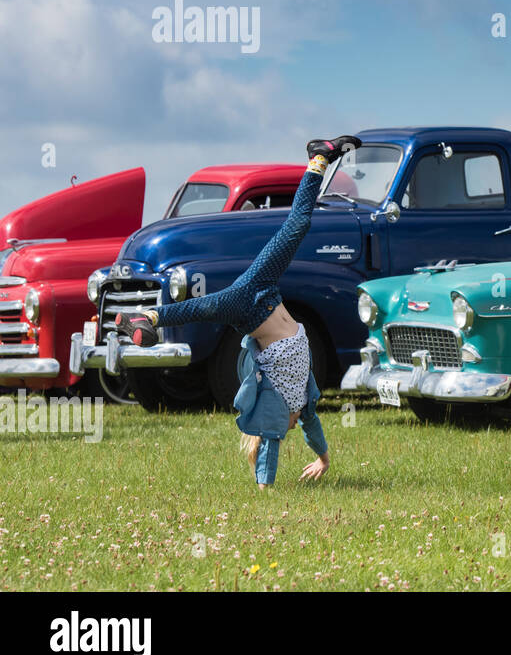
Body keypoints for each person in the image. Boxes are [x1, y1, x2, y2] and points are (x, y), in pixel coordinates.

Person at [114, 135, 361, 489]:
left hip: (249, 301)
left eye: (287, 426)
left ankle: (149, 318)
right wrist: (322, 459)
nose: (292, 427)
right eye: (292, 425)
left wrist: (292, 475)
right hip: (265, 297)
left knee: (209, 302)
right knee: (296, 229)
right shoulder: (303, 401)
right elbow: (310, 430)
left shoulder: (278, 405)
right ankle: (319, 160)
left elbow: (271, 446)